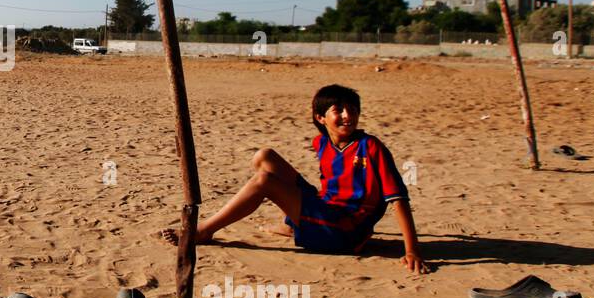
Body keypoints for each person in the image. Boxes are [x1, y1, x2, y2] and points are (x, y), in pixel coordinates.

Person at [162, 84, 430, 274]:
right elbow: (328, 186)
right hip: (328, 210)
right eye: (339, 110)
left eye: (352, 109)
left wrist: (412, 251)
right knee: (265, 157)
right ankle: (294, 225)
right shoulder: (322, 143)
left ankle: (205, 230)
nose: (348, 116)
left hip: (344, 231)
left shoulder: (371, 147)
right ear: (320, 118)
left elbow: (398, 200)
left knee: (264, 181)